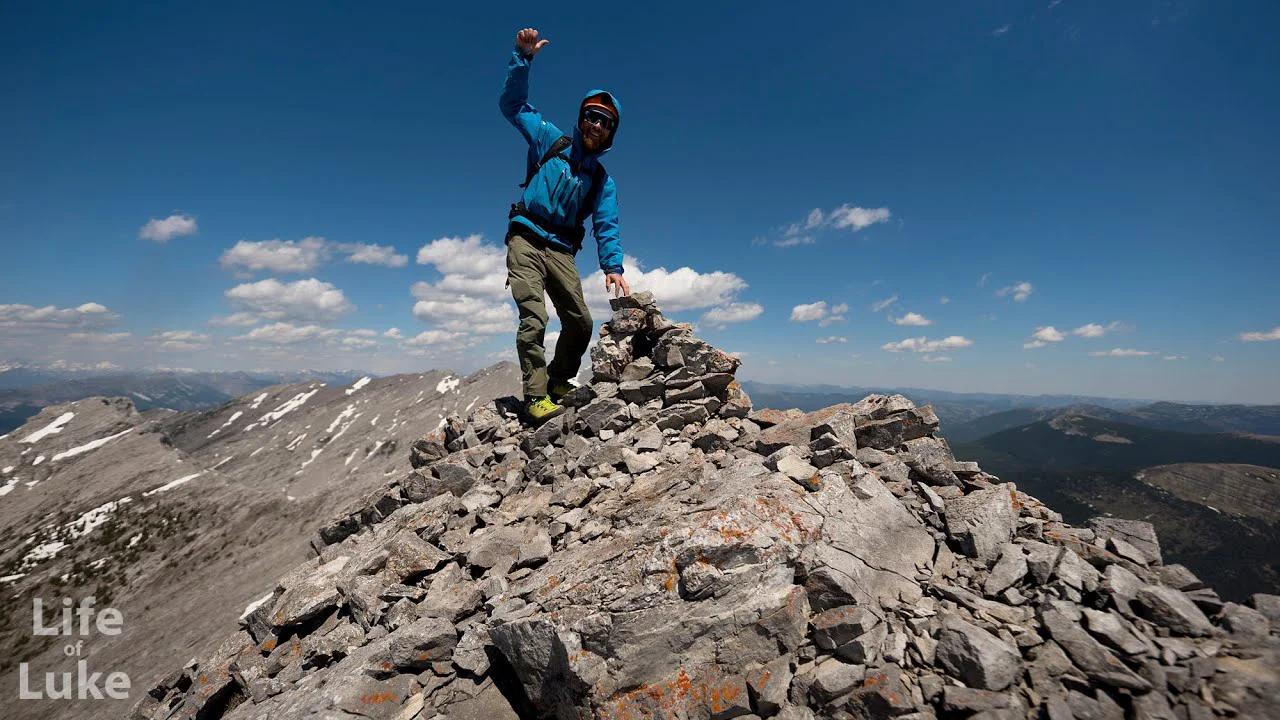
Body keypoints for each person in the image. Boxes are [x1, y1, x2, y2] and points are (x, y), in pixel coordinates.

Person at [500, 27, 630, 424]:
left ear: (611, 132)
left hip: (560, 249)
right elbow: (514, 105)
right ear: (580, 118)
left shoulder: (603, 181)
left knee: (581, 321)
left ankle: (558, 380)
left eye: (605, 122)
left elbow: (606, 224)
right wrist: (523, 59)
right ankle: (536, 396)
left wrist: (613, 266)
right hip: (525, 236)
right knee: (534, 317)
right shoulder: (549, 140)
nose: (596, 125)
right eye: (591, 116)